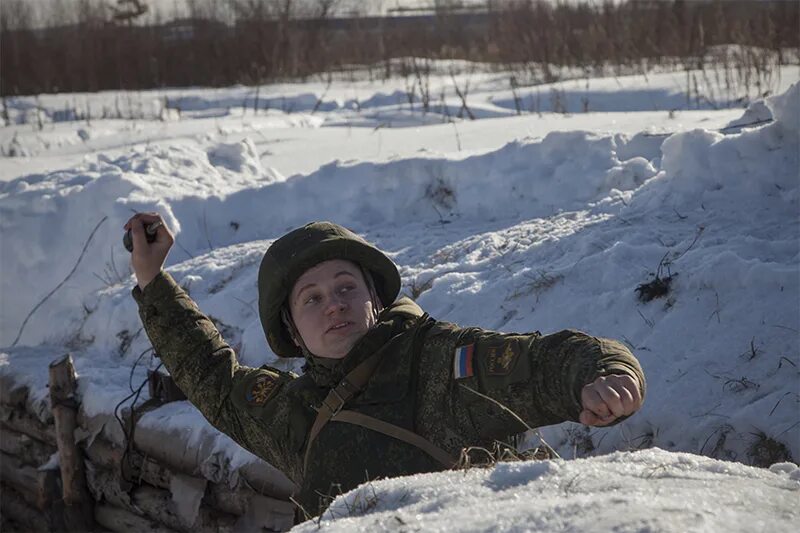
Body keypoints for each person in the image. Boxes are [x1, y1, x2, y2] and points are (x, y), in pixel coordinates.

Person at [125, 213, 645, 517]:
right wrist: (152, 281)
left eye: (347, 287)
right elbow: (213, 378)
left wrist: (605, 376)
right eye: (312, 298)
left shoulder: (438, 362)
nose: (334, 304)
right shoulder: (292, 413)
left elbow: (546, 358)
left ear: (374, 298)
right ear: (291, 329)